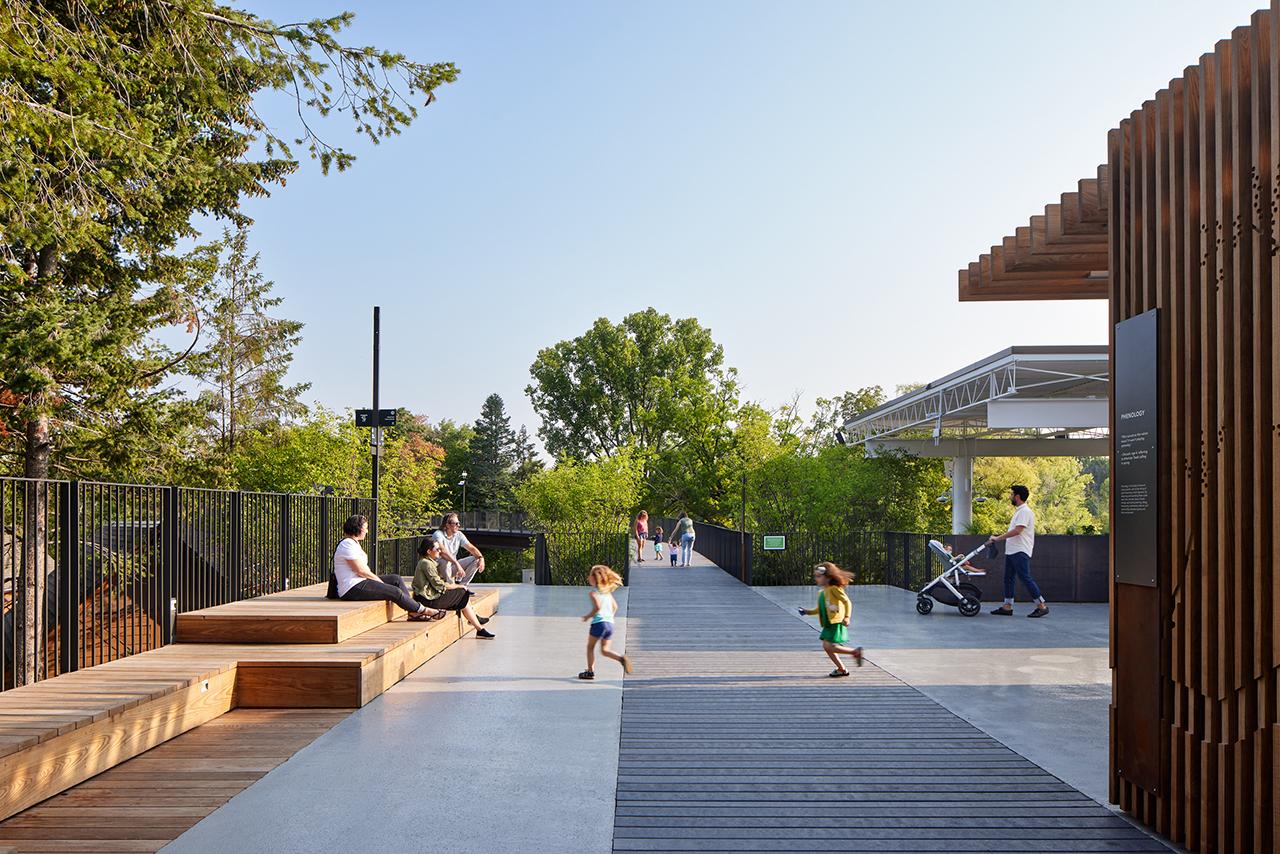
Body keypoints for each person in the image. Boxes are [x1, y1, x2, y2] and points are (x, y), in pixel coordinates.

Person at [333, 515, 443, 621]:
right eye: (365, 528)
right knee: (395, 591)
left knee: (396, 579)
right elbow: (360, 570)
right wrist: (380, 583)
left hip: (359, 581)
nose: (367, 531)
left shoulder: (353, 543)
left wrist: (379, 582)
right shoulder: (347, 544)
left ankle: (412, 611)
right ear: (357, 528)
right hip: (351, 588)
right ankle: (424, 610)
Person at [412, 539, 495, 639]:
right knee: (462, 592)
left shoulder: (428, 562)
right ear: (429, 551)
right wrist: (459, 586)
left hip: (429, 596)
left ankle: (478, 628)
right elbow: (439, 585)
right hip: (428, 599)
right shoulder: (427, 564)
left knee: (462, 595)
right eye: (437, 549)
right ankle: (477, 625)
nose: (439, 551)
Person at [987, 484, 1048, 617]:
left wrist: (998, 538)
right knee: (1008, 578)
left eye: (1012, 494)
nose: (1010, 497)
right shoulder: (1019, 511)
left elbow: (1017, 530)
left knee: (1025, 578)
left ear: (1017, 496)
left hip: (1020, 550)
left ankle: (1041, 605)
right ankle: (1007, 606)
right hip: (1012, 550)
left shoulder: (1025, 511)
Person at [797, 561, 864, 676]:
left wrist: (847, 617)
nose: (816, 579)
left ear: (828, 577)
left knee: (828, 646)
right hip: (828, 623)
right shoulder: (822, 593)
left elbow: (846, 601)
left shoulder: (834, 589)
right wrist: (808, 612)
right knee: (827, 647)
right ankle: (841, 669)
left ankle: (855, 652)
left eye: (819, 576)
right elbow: (820, 609)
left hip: (836, 622)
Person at [578, 565, 632, 680]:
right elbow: (615, 606)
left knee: (590, 647)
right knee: (605, 650)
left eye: (590, 575)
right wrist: (609, 618)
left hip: (598, 624)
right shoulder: (607, 593)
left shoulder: (593, 592)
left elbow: (598, 606)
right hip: (610, 624)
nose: (588, 578)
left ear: (594, 577)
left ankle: (590, 672)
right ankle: (621, 658)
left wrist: (588, 616)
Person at [432, 513, 485, 585]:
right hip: (439, 568)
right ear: (447, 525)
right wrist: (456, 563)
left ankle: (462, 586)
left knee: (475, 559)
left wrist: (481, 558)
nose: (458, 525)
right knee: (446, 561)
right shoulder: (438, 534)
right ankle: (451, 586)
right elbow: (442, 551)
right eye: (456, 523)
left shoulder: (459, 534)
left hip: (452, 566)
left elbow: (471, 547)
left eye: (458, 523)